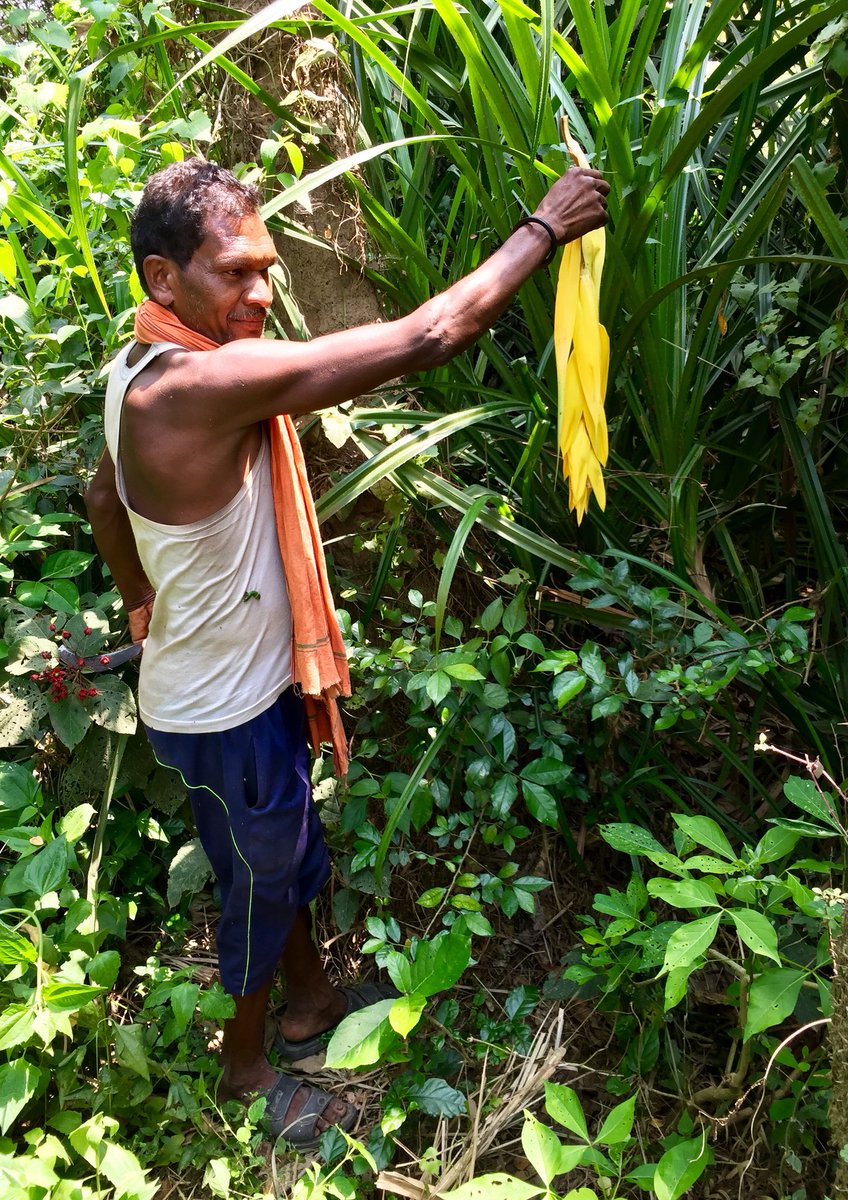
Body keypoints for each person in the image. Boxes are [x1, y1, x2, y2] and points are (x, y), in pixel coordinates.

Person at [85, 156, 609, 1147]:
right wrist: (544, 226)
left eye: (267, 268)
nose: (260, 292)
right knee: (258, 884)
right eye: (233, 272)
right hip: (222, 711)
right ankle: (245, 1069)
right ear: (163, 278)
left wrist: (139, 597)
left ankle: (311, 1001)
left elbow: (101, 497)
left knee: (279, 854)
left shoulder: (134, 369)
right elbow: (430, 335)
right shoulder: (198, 384)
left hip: (232, 686)